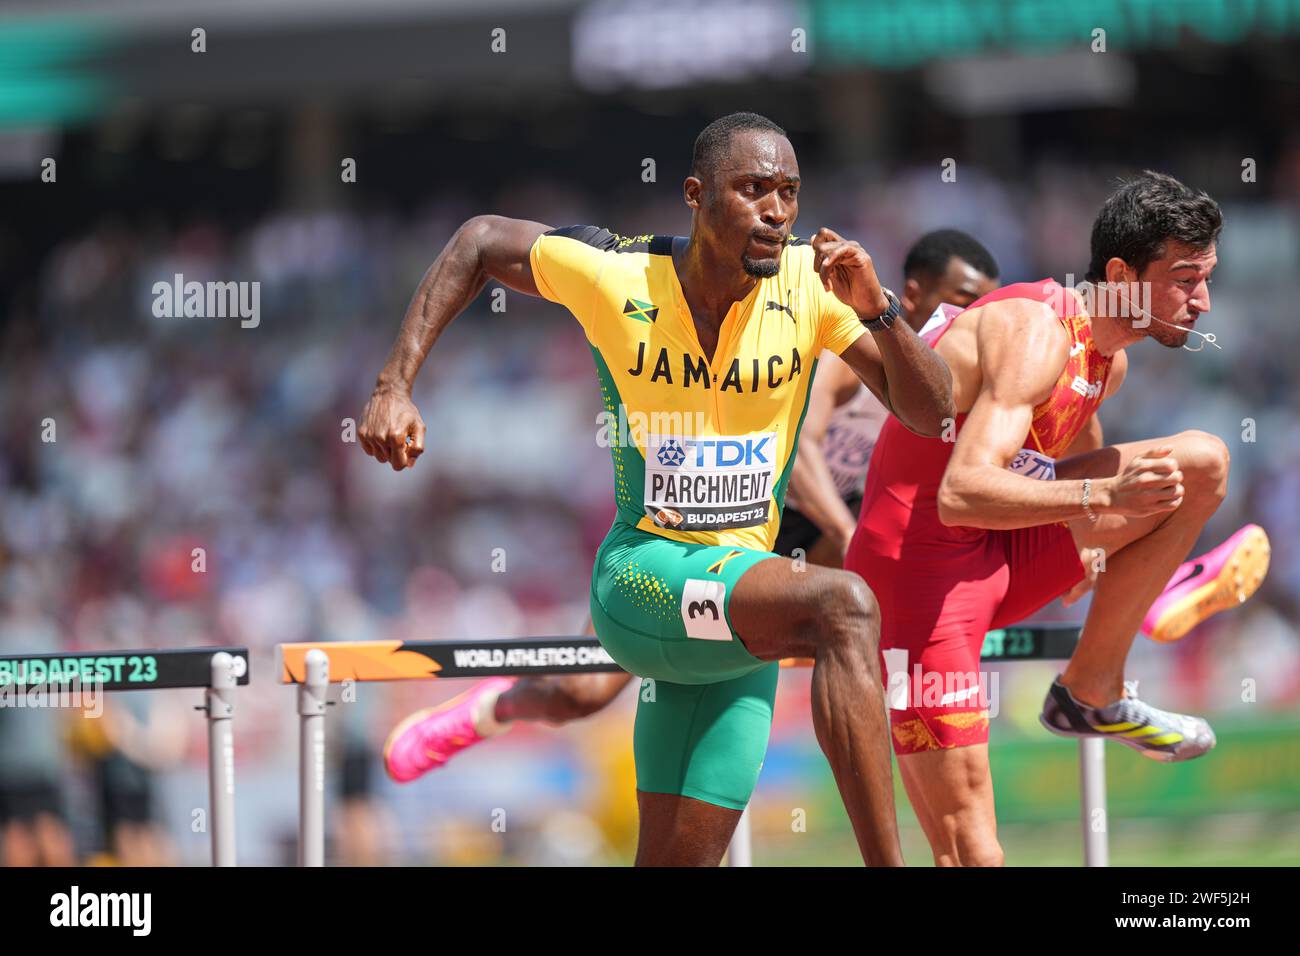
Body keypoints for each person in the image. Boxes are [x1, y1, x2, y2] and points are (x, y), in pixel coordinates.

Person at [360, 111, 955, 866]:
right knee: (844, 605)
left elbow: (934, 415)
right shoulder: (618, 274)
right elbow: (478, 240)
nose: (777, 210)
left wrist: (879, 310)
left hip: (731, 626)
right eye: (753, 189)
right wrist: (394, 386)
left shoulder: (815, 285)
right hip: (642, 577)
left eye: (789, 192)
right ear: (695, 195)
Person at [378, 229, 1002, 781]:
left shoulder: (955, 381)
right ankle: (492, 709)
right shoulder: (850, 344)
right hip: (720, 534)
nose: (980, 323)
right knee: (582, 690)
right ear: (914, 296)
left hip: (797, 556)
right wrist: (849, 536)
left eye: (989, 310)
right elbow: (803, 453)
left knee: (853, 627)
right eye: (966, 306)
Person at [846, 170, 1270, 866]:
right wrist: (1100, 505)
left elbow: (1081, 452)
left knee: (1202, 461)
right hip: (917, 584)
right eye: (1184, 279)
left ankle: (1090, 687)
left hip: (998, 554)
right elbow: (962, 491)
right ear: (1119, 273)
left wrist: (1096, 550)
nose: (1203, 301)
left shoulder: (1109, 361)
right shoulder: (1037, 330)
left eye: (1207, 278)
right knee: (972, 856)